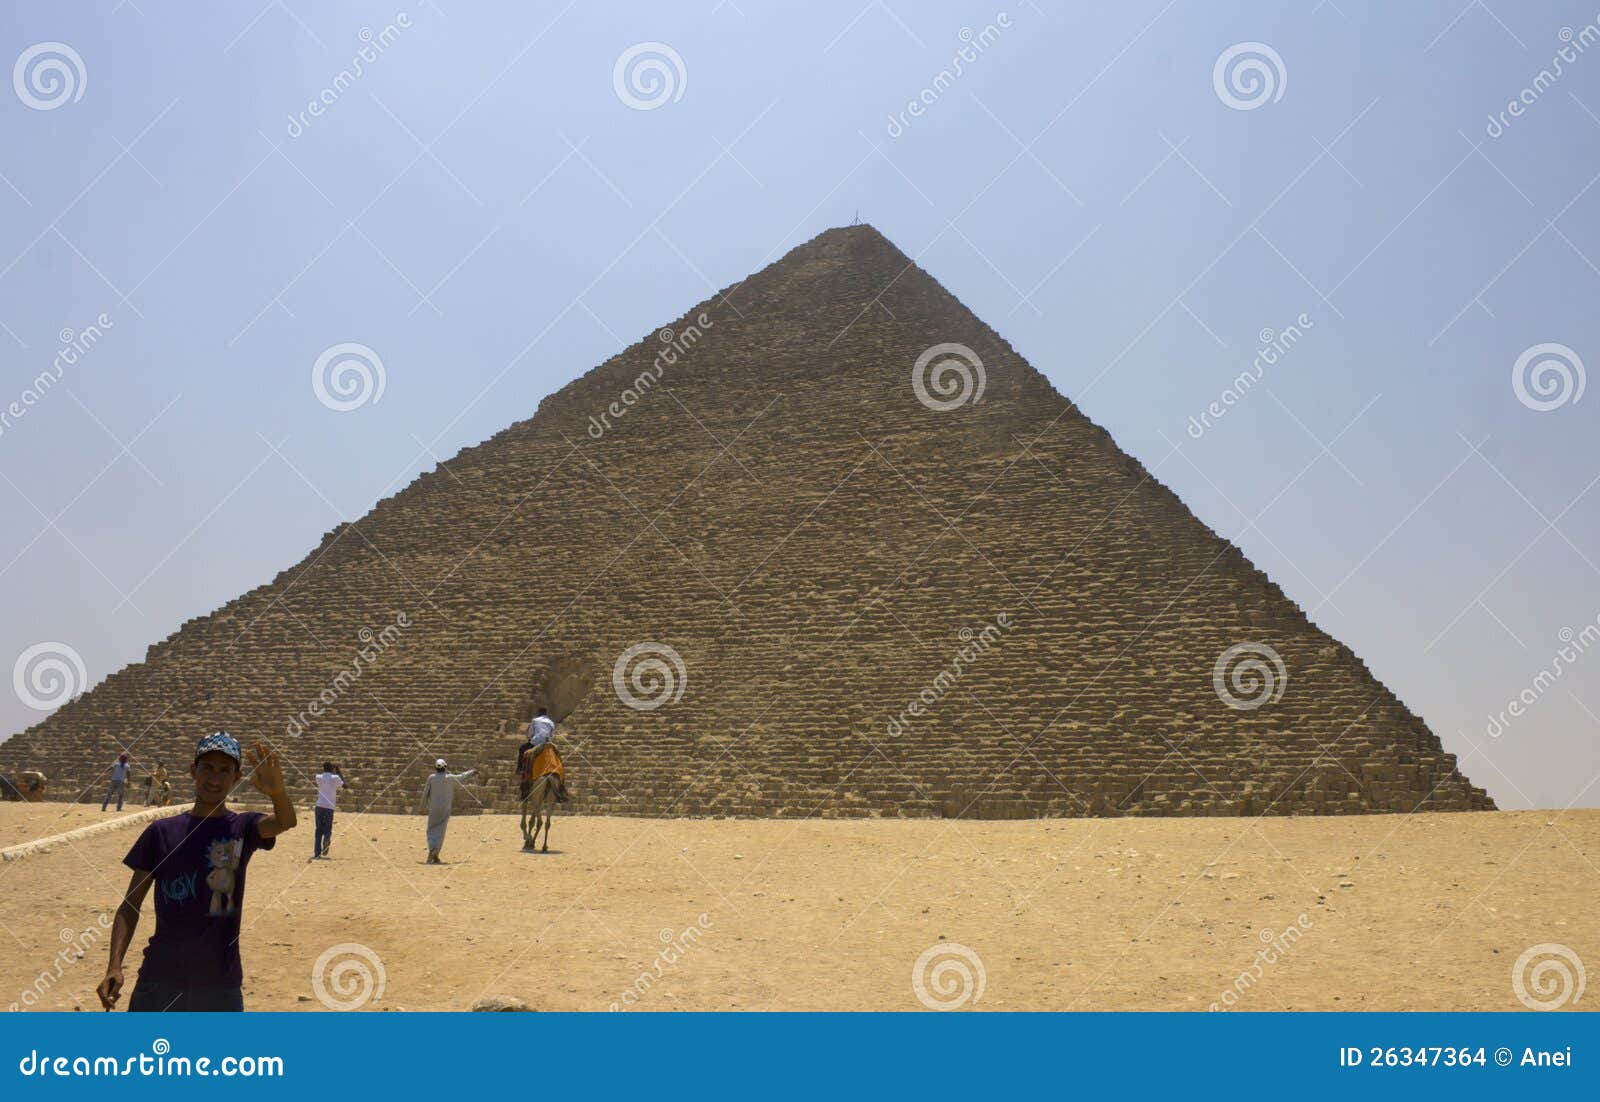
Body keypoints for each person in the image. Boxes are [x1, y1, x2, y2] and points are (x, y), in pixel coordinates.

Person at [96, 731, 296, 1012]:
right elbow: (130, 905)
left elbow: (286, 821)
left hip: (220, 984)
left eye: (224, 771)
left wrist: (278, 792)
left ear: (236, 778)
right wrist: (114, 965)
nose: (214, 779)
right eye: (207, 768)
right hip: (159, 979)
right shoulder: (160, 833)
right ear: (193, 771)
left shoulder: (242, 828)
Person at [420, 758, 476, 864]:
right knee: (441, 831)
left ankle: (433, 848)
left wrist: (422, 806)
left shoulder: (431, 778)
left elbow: (425, 793)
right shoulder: (450, 778)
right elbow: (462, 777)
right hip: (445, 808)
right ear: (445, 767)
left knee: (431, 829)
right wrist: (472, 772)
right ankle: (435, 853)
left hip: (433, 808)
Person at [312, 762, 351, 859]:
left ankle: (317, 853)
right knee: (328, 828)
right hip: (330, 806)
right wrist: (338, 771)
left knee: (318, 829)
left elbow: (322, 778)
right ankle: (327, 838)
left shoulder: (318, 777)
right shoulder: (336, 778)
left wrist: (332, 770)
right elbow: (345, 786)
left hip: (319, 805)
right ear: (332, 769)